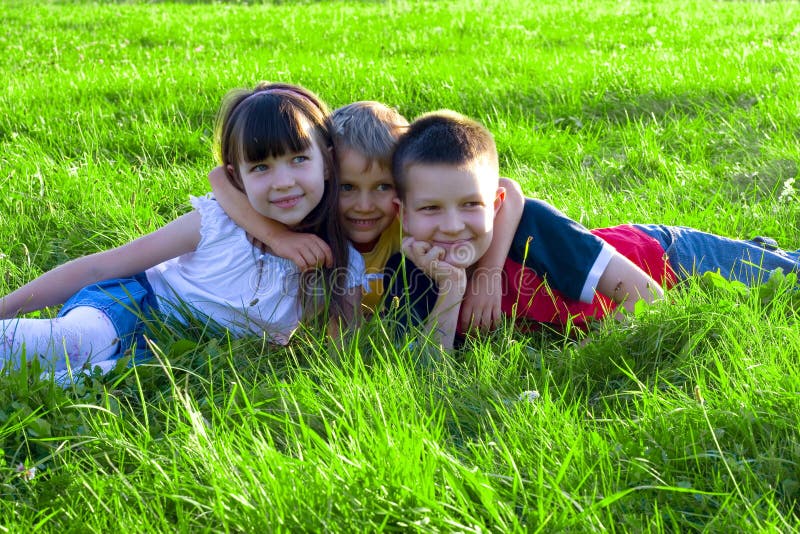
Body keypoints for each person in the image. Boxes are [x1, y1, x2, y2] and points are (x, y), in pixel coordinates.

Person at [0, 82, 365, 377]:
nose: (283, 182)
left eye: (299, 159)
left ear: (328, 164)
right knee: (70, 342)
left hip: (177, 357)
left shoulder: (341, 260)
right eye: (261, 167)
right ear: (237, 178)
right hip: (132, 306)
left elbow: (338, 355)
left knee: (73, 382)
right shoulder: (218, 222)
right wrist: (7, 306)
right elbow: (105, 266)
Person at [384, 110, 800, 349]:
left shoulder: (535, 229)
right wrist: (452, 290)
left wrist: (584, 355)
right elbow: (428, 372)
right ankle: (758, 248)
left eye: (470, 205)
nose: (453, 227)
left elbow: (648, 298)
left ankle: (758, 252)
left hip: (665, 258)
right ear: (402, 213)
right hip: (636, 286)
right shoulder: (409, 270)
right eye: (431, 209)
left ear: (495, 205)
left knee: (789, 279)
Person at [209, 101, 526, 327]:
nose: (364, 205)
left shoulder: (411, 219)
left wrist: (490, 275)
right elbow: (219, 178)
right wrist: (277, 238)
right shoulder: (312, 218)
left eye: (383, 187)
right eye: (347, 188)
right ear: (327, 172)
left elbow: (508, 190)